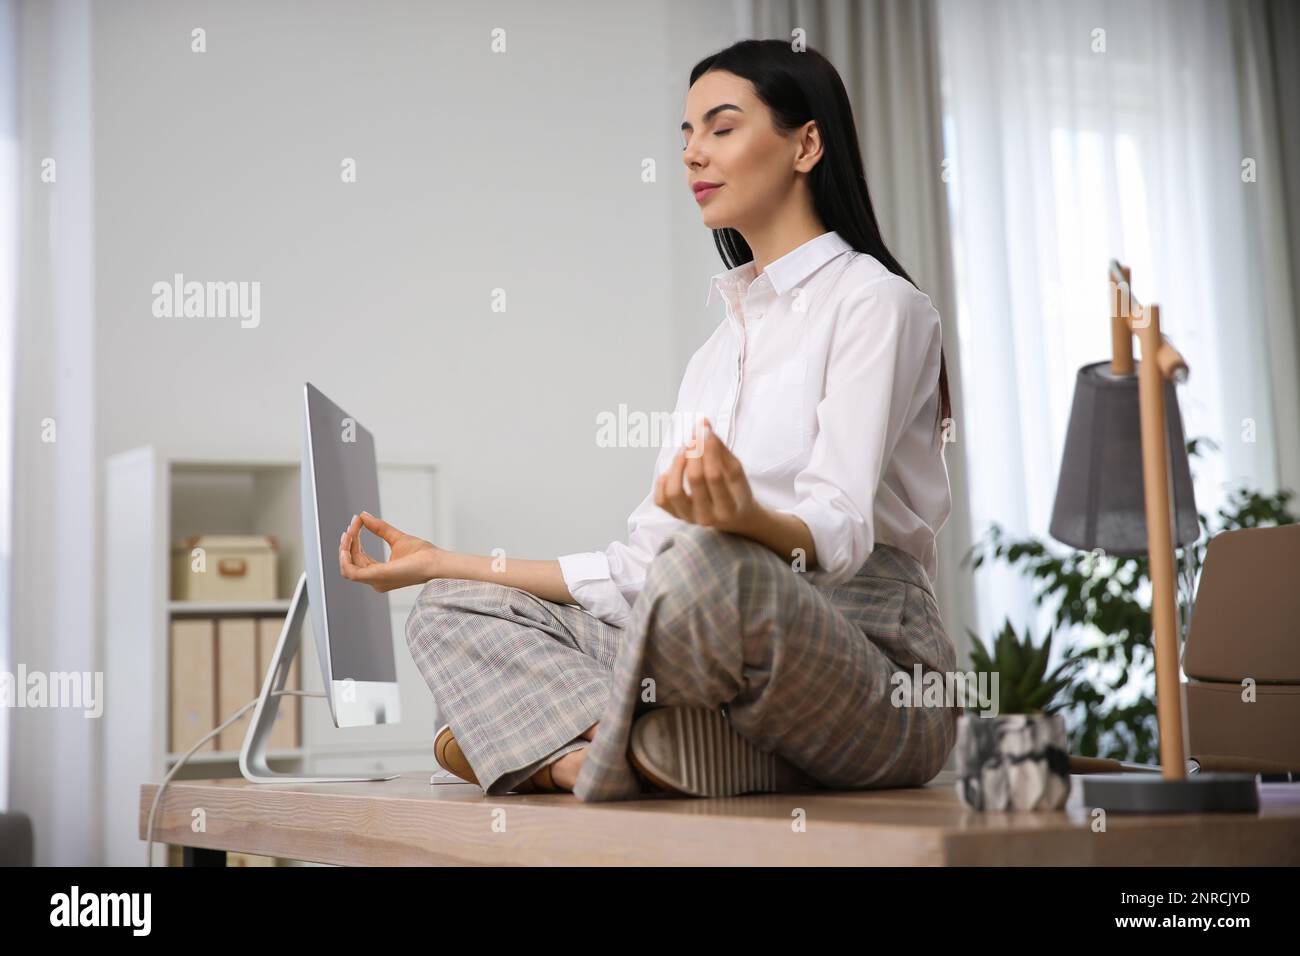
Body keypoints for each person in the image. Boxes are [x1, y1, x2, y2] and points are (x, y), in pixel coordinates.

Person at [339, 39, 958, 803]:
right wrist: (441, 562)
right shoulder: (716, 352)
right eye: (687, 135)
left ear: (806, 143)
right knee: (454, 608)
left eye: (721, 128)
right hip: (712, 654)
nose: (695, 153)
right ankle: (620, 757)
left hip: (873, 664)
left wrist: (744, 521)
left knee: (707, 564)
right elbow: (637, 571)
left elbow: (836, 530)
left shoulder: (878, 304)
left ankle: (561, 745)